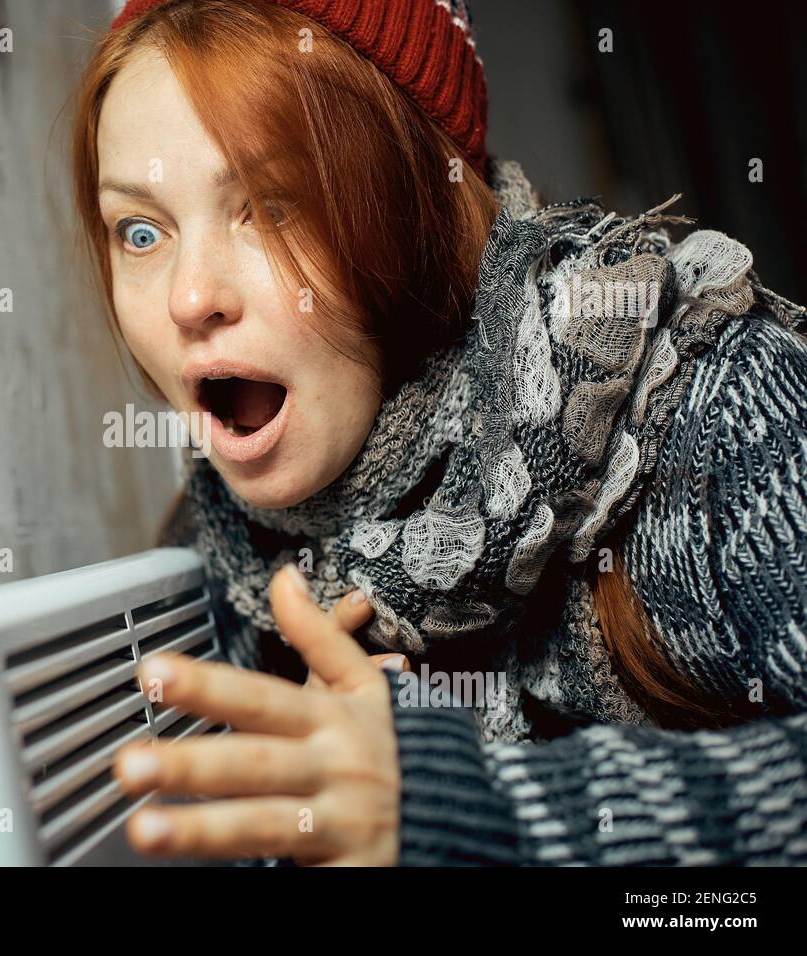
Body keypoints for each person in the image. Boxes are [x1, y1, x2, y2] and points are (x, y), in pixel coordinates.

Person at [69, 0, 807, 865]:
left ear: (421, 204)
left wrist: (480, 816)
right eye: (142, 230)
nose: (190, 298)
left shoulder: (715, 406)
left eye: (272, 207)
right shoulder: (210, 566)